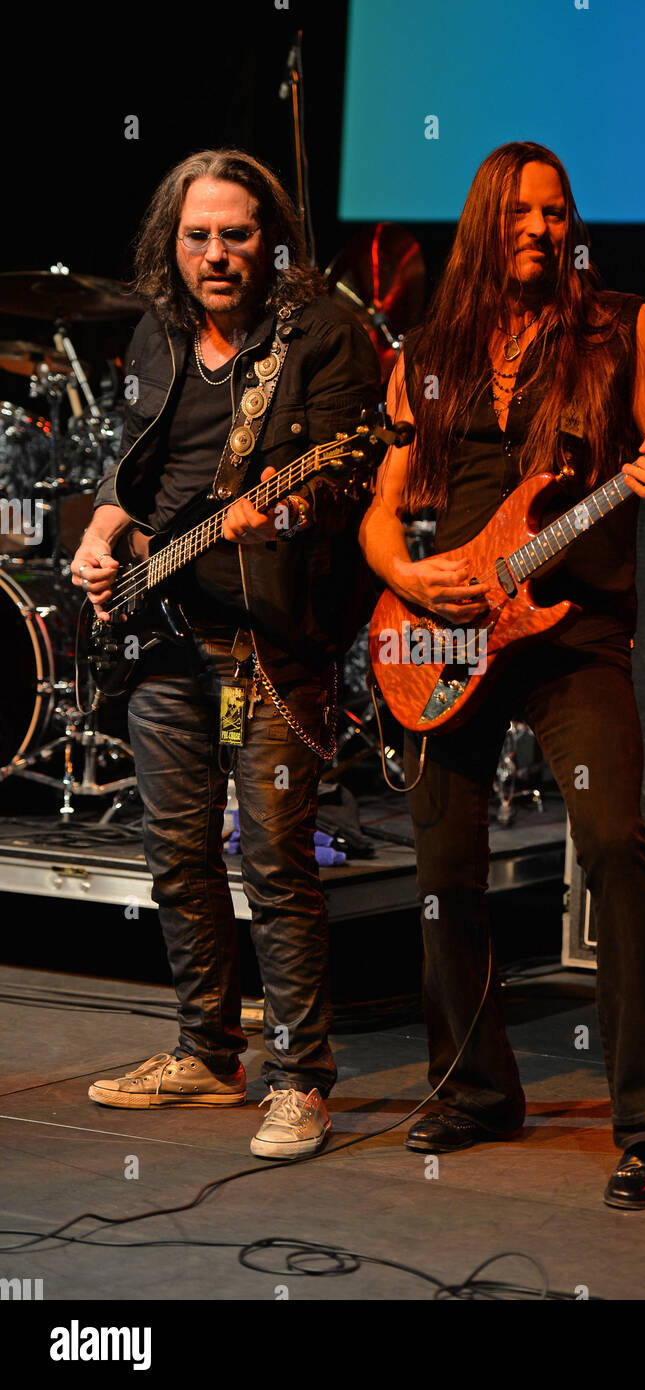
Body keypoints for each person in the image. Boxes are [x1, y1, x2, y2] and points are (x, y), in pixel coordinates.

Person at [360, 141, 645, 1209]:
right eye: (518, 213)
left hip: (575, 634)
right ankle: (473, 1091)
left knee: (613, 844)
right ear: (485, 223)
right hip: (447, 633)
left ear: (572, 224)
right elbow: (380, 511)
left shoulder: (619, 326)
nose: (538, 229)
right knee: (441, 875)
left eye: (554, 213)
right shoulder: (429, 350)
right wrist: (409, 577)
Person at [72, 149, 381, 1158]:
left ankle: (301, 1080)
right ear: (173, 241)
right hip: (158, 627)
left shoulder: (322, 334)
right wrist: (102, 533)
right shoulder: (158, 334)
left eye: (236, 234)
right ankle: (207, 1054)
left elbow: (345, 473)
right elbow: (140, 474)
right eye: (197, 235)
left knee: (277, 863)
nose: (216, 254)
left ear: (270, 237)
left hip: (267, 638)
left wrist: (283, 512)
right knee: (178, 854)